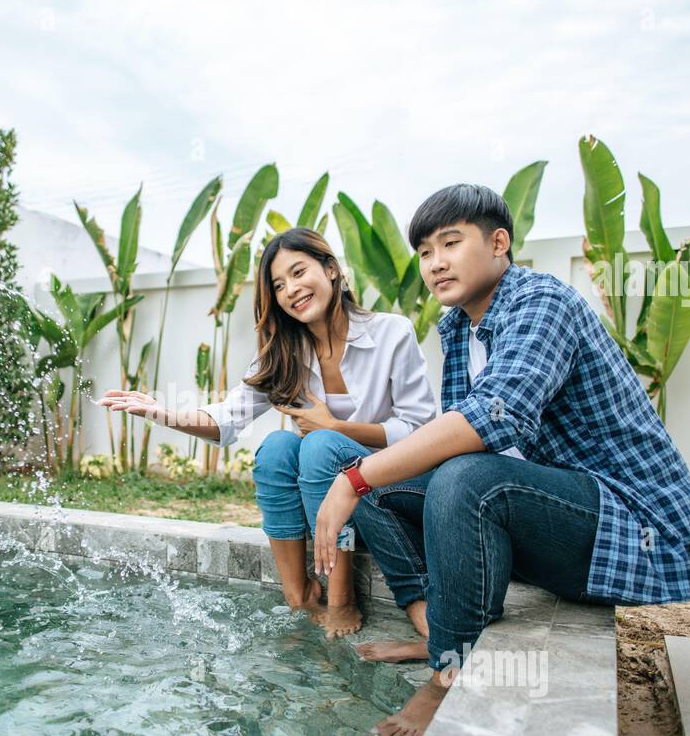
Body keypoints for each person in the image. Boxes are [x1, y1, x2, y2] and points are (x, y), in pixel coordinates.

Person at [311, 184, 690, 736]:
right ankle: (440, 630)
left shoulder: (541, 302)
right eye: (425, 252)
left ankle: (448, 670)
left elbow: (491, 421)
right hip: (543, 514)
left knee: (458, 478)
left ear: (499, 242)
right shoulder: (459, 328)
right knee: (387, 487)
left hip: (626, 522)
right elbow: (460, 438)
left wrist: (352, 479)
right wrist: (363, 477)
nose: (435, 263)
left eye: (450, 243)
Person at [97, 227, 436, 639]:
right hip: (323, 506)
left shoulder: (391, 333)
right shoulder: (284, 353)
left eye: (298, 272)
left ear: (330, 269)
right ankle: (300, 593)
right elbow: (226, 418)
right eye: (279, 285)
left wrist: (336, 427)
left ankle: (341, 597)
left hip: (387, 495)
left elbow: (419, 430)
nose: (291, 289)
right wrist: (162, 413)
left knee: (320, 444)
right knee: (277, 446)